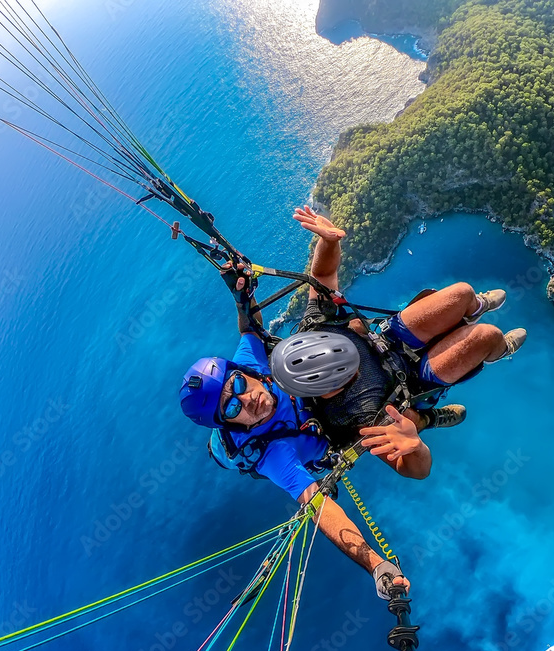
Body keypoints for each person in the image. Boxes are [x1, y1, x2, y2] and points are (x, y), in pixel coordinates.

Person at [179, 264, 408, 600]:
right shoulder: (271, 455)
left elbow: (250, 332)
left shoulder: (249, 365)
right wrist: (377, 566)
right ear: (228, 424)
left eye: (238, 384)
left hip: (310, 401)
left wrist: (241, 298)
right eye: (231, 408)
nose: (246, 400)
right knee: (398, 414)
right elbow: (317, 504)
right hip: (330, 431)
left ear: (240, 373)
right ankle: (429, 416)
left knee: (351, 330)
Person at [269, 206, 527, 480]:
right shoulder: (355, 421)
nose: (356, 369)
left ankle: (475, 306)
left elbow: (321, 276)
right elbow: (417, 471)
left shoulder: (315, 327)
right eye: (349, 375)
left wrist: (329, 241)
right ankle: (496, 352)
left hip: (386, 341)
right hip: (412, 385)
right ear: (330, 388)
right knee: (486, 337)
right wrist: (415, 447)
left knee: (461, 293)